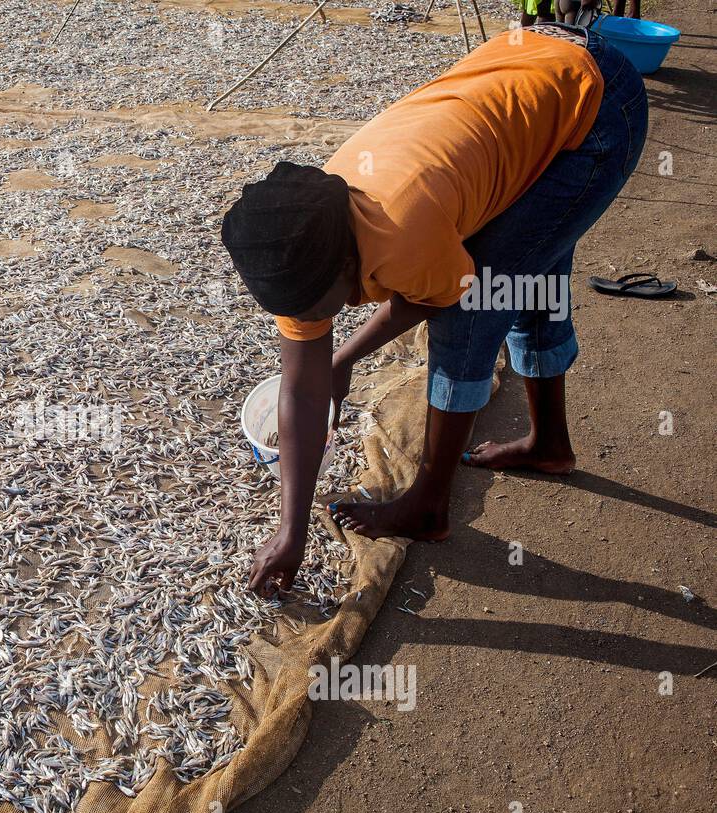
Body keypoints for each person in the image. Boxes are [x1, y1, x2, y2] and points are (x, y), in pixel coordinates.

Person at [220, 24, 647, 598]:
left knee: (481, 303)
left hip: (596, 109)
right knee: (528, 278)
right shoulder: (299, 241)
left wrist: (345, 355)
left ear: (349, 266)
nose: (309, 321)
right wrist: (291, 529)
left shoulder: (401, 233)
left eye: (316, 308)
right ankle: (549, 446)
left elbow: (437, 298)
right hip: (531, 77)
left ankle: (429, 504)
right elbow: (301, 386)